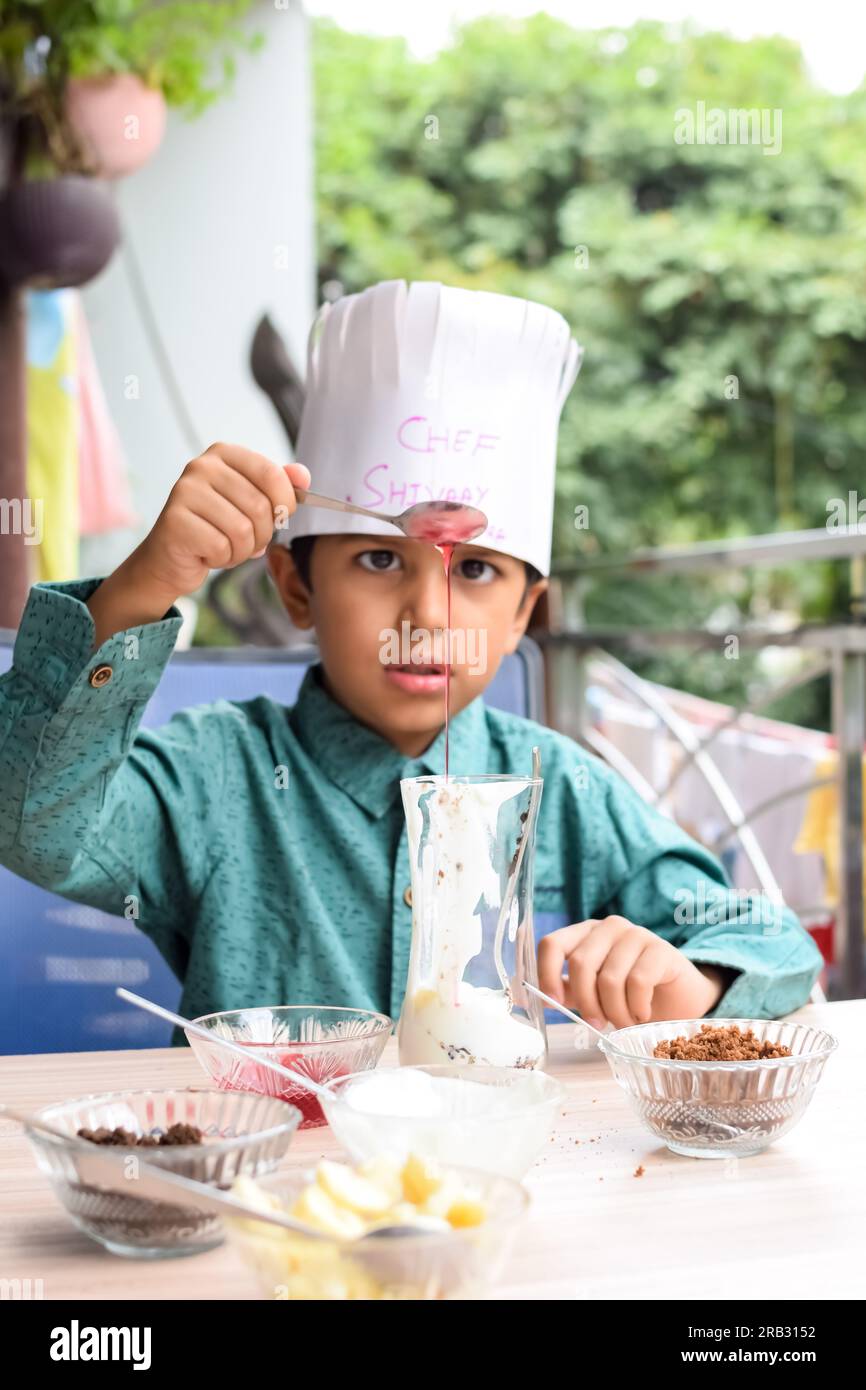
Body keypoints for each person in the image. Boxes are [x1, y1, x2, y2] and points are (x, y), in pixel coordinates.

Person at [0, 280, 822, 1036]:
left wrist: (698, 981)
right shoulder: (218, 773)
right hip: (272, 1184)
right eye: (381, 560)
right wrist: (148, 581)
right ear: (295, 588)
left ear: (522, 617)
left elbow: (766, 937)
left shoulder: (559, 789)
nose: (429, 616)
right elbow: (32, 824)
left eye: (473, 570)